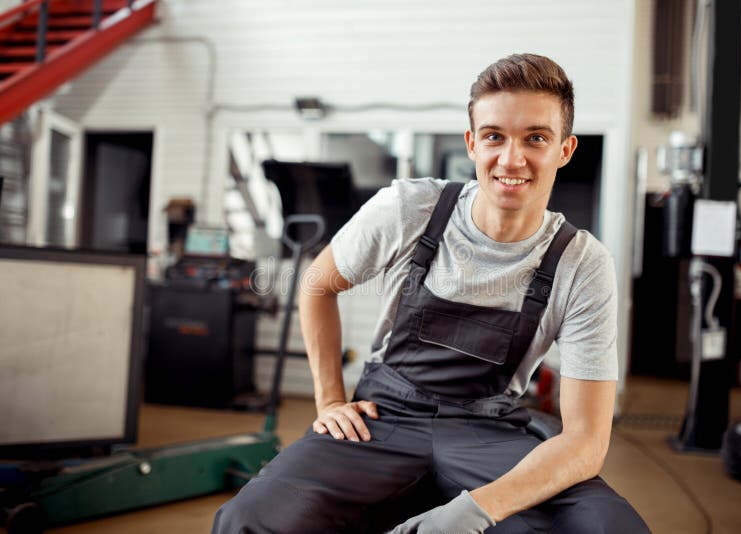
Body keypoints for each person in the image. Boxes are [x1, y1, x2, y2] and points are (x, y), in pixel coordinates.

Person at [213, 53, 650, 533]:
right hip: (383, 419)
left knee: (607, 526)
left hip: (487, 431)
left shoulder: (582, 263)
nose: (512, 158)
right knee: (250, 518)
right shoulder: (412, 208)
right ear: (472, 143)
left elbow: (586, 441)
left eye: (536, 138)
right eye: (494, 136)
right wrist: (331, 401)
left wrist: (473, 511)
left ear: (565, 149)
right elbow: (318, 283)